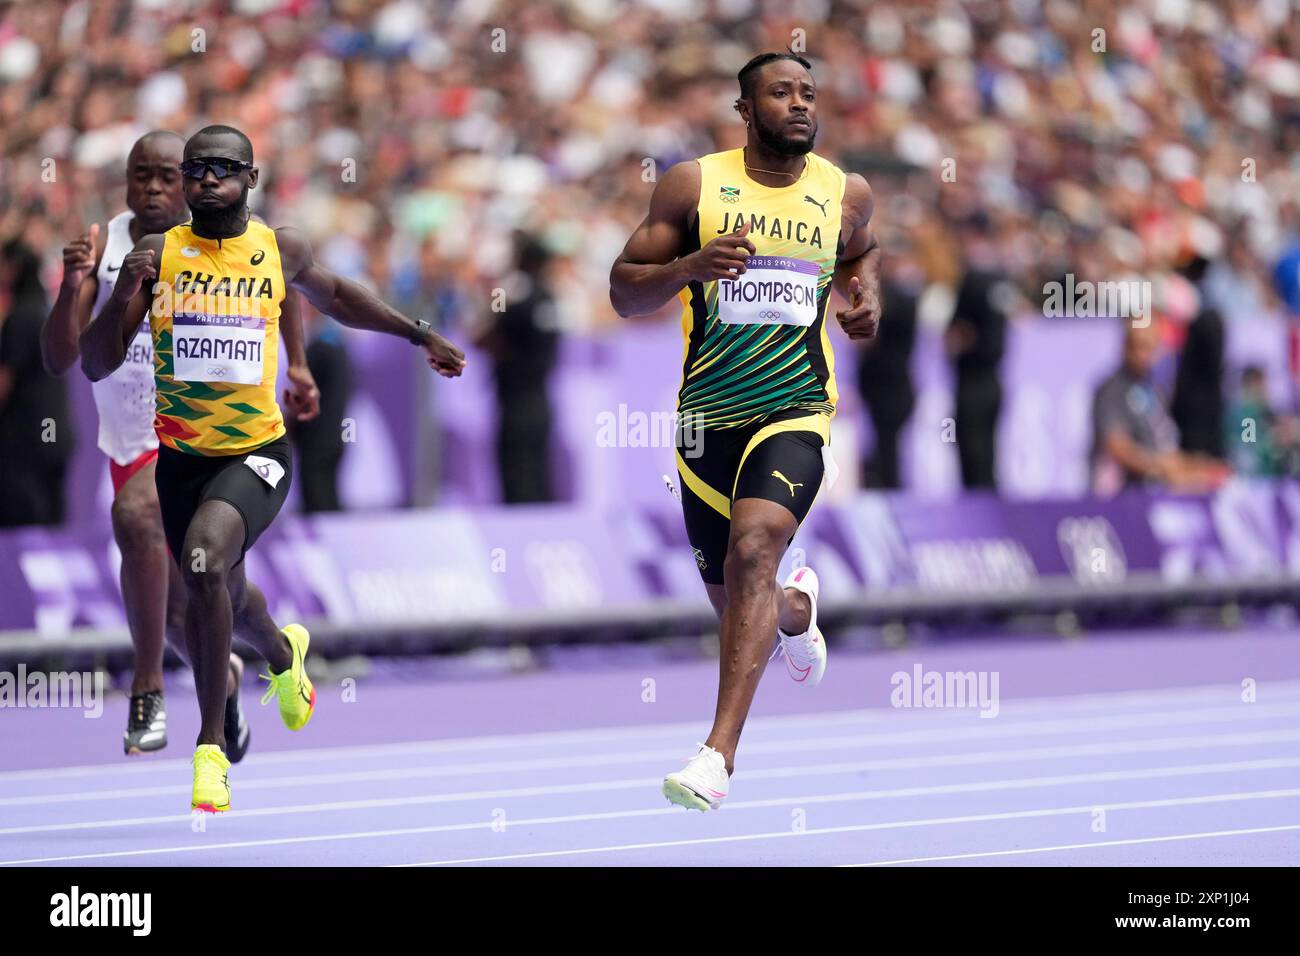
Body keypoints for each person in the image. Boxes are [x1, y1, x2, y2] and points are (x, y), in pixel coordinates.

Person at [80, 125, 466, 812]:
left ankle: (209, 750)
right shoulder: (158, 254)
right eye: (196, 169)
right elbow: (97, 362)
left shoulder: (276, 247)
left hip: (257, 451)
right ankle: (284, 656)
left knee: (200, 565)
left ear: (251, 179)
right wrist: (118, 296)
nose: (204, 180)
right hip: (181, 459)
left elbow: (339, 296)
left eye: (222, 168)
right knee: (224, 587)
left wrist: (418, 334)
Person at [609, 53, 881, 810]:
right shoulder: (694, 185)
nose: (799, 104)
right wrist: (691, 266)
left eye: (808, 94)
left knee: (755, 547)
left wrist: (865, 300)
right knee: (741, 606)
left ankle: (715, 756)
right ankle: (797, 613)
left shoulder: (843, 191)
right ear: (745, 106)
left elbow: (860, 253)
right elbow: (623, 292)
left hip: (795, 408)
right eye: (780, 92)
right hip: (705, 422)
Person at [42, 131, 319, 760]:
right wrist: (71, 286)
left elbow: (285, 289)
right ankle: (250, 665)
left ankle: (147, 691)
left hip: (194, 437)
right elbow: (61, 360)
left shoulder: (225, 236)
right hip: (126, 441)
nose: (155, 188)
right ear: (127, 181)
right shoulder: (108, 245)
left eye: (169, 176)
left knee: (144, 524)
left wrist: (298, 365)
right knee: (184, 609)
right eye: (142, 176)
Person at [1091, 321, 1228, 494]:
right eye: (1138, 346)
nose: (1143, 355)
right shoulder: (1111, 390)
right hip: (1125, 495)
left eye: (1150, 347)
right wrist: (1158, 469)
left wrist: (1196, 465)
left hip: (1158, 488)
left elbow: (1164, 448)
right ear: (1125, 346)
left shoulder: (1154, 388)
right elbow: (1117, 448)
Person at [477, 231, 560, 503]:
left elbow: (485, 339)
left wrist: (492, 298)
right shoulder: (550, 301)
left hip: (516, 401)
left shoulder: (519, 305)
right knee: (538, 472)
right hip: (541, 401)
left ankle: (519, 535)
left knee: (516, 474)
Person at [0, 237, 73, 528]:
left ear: (14, 268)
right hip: (57, 435)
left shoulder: (20, 316)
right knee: (49, 521)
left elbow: (5, 381)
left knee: (23, 521)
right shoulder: (47, 312)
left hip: (28, 441)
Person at [945, 216, 1009, 490]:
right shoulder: (1001, 276)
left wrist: (959, 343)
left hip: (974, 380)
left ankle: (978, 515)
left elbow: (958, 334)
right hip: (992, 381)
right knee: (987, 454)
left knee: (973, 453)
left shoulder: (974, 277)